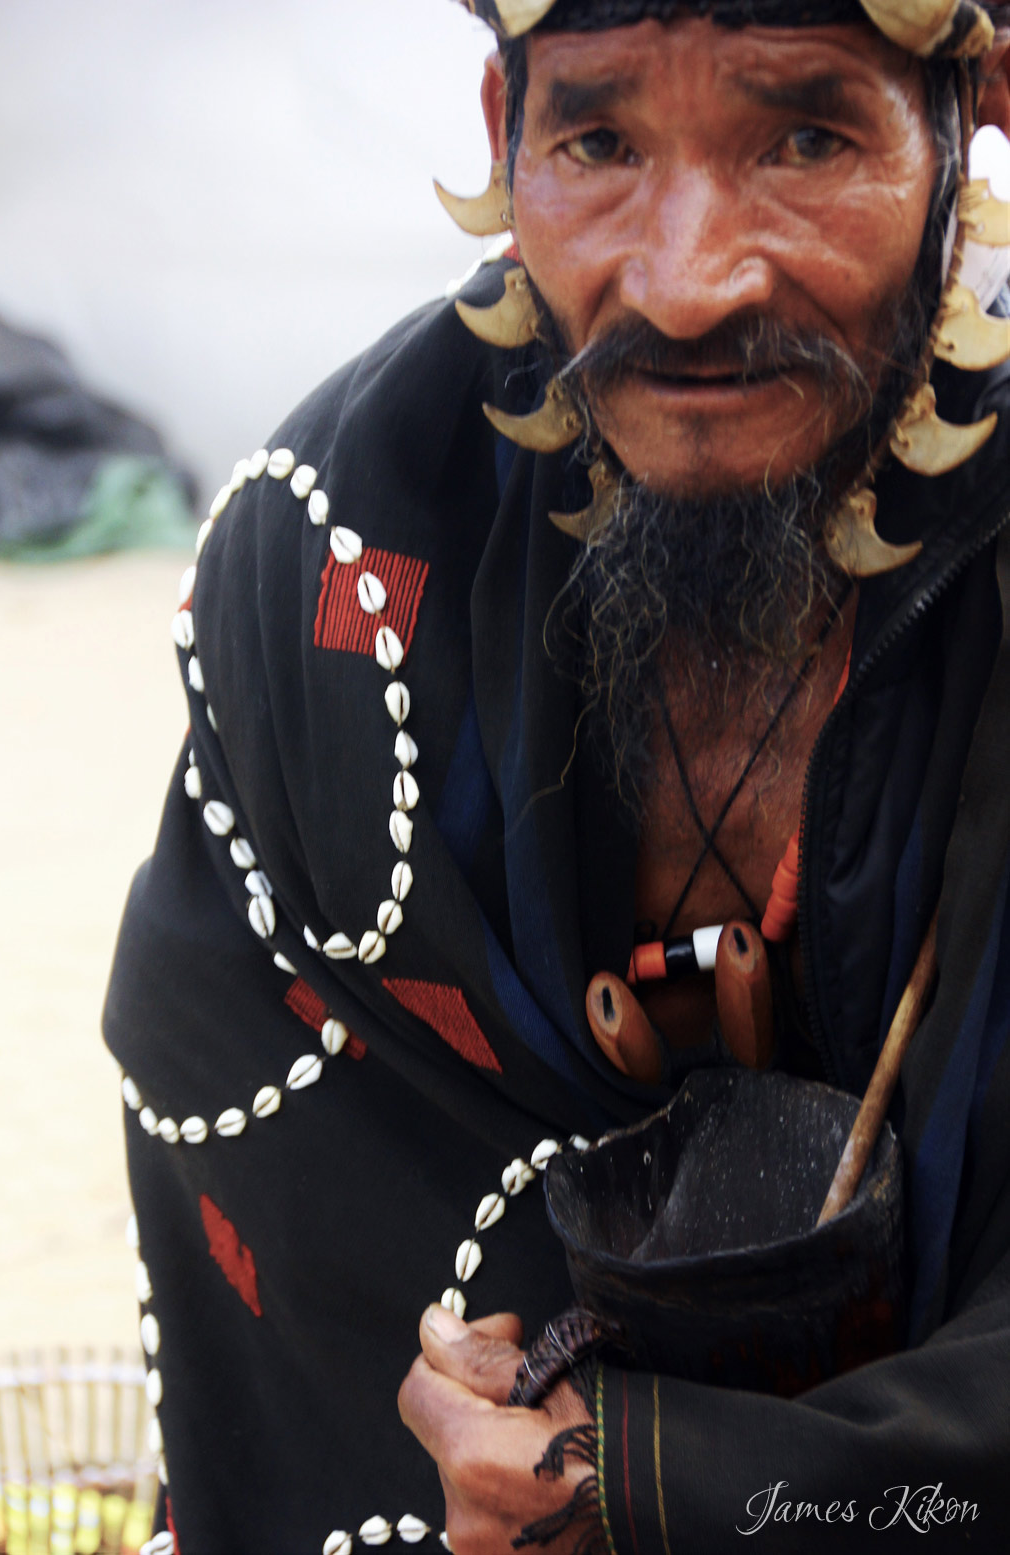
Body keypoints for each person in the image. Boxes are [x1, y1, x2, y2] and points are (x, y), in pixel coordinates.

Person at [105, 1, 1010, 1551]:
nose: (685, 280)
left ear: (964, 121)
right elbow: (255, 1121)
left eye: (805, 137)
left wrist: (668, 1482)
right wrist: (490, 1419)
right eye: (596, 141)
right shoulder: (332, 561)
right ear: (499, 132)